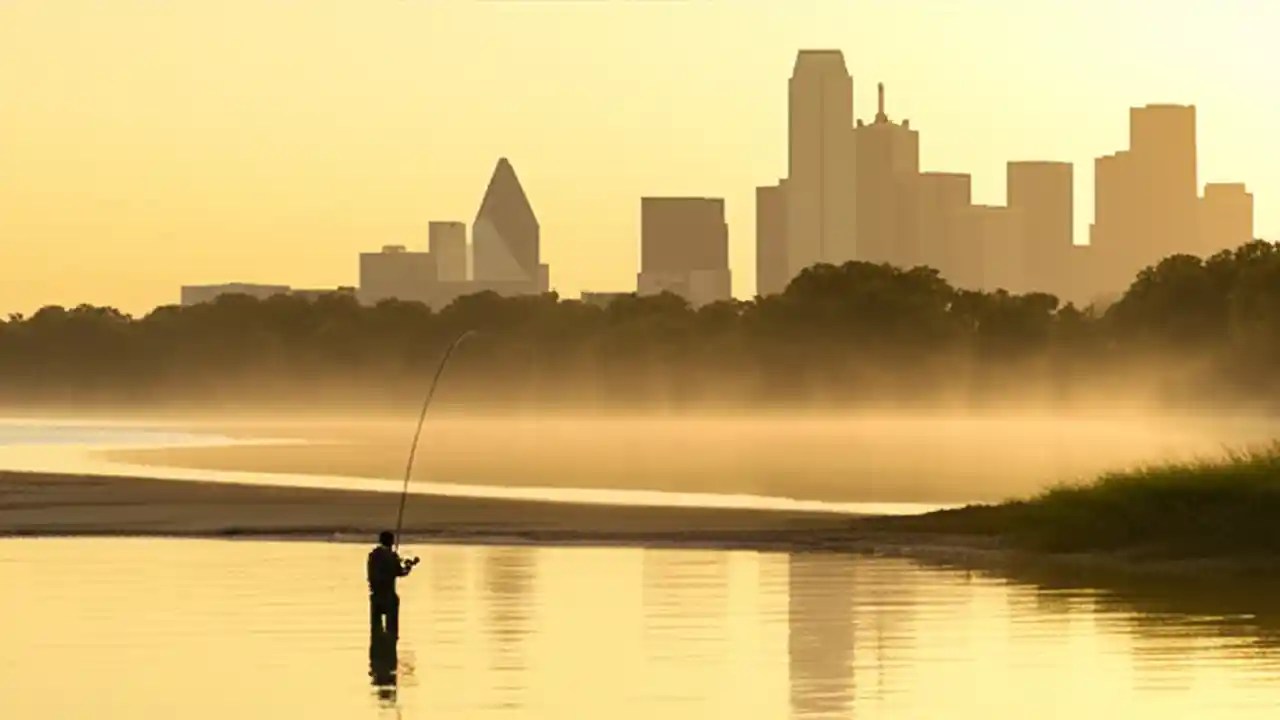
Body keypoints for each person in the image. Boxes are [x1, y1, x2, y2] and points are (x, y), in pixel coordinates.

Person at [368, 530, 418, 639]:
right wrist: (409, 567)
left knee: (376, 632)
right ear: (391, 542)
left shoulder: (373, 556)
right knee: (392, 631)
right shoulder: (391, 557)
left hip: (375, 595)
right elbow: (400, 572)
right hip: (389, 596)